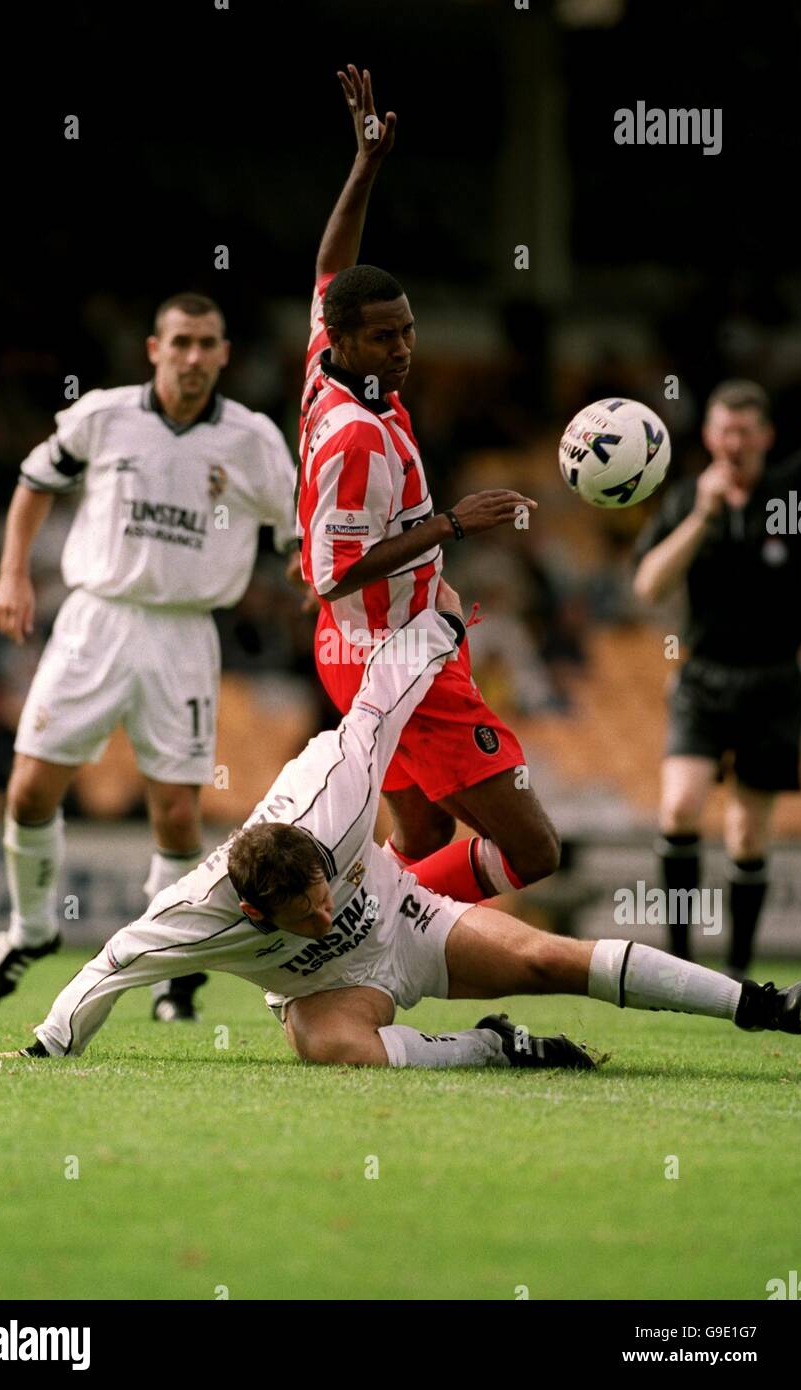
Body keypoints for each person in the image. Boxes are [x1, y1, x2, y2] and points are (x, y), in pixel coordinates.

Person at [5, 583, 801, 1065]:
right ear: (253, 913)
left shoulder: (337, 795)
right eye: (305, 915)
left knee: (546, 959)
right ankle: (496, 1050)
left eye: (321, 892)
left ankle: (763, 1004)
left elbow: (379, 702)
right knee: (325, 1049)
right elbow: (109, 966)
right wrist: (47, 1044)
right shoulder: (197, 915)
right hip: (329, 989)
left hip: (404, 917)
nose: (322, 912)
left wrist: (442, 629)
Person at [0, 292, 299, 1021]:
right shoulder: (104, 414)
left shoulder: (251, 439)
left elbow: (295, 534)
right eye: (179, 342)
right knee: (28, 791)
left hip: (184, 632)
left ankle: (169, 970)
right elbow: (34, 481)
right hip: (95, 621)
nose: (192, 357)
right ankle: (30, 931)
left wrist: (311, 578)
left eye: (207, 344)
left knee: (177, 815)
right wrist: (13, 571)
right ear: (154, 348)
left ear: (223, 354)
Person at [295, 65, 559, 897]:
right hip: (393, 656)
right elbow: (330, 571)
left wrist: (365, 165)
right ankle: (374, 936)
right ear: (346, 340)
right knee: (534, 852)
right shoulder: (357, 438)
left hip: (360, 650)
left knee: (423, 834)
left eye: (408, 332)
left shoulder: (324, 366)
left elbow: (333, 263)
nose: (403, 350)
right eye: (385, 338)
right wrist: (451, 523)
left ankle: (374, 931)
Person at [634, 379, 801, 974]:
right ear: (708, 436)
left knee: (747, 838)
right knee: (680, 809)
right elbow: (649, 584)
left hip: (774, 683)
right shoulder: (685, 500)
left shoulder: (792, 501)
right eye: (724, 430)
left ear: (766, 436)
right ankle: (681, 965)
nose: (734, 442)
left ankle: (737, 971)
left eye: (746, 430)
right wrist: (703, 518)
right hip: (702, 680)